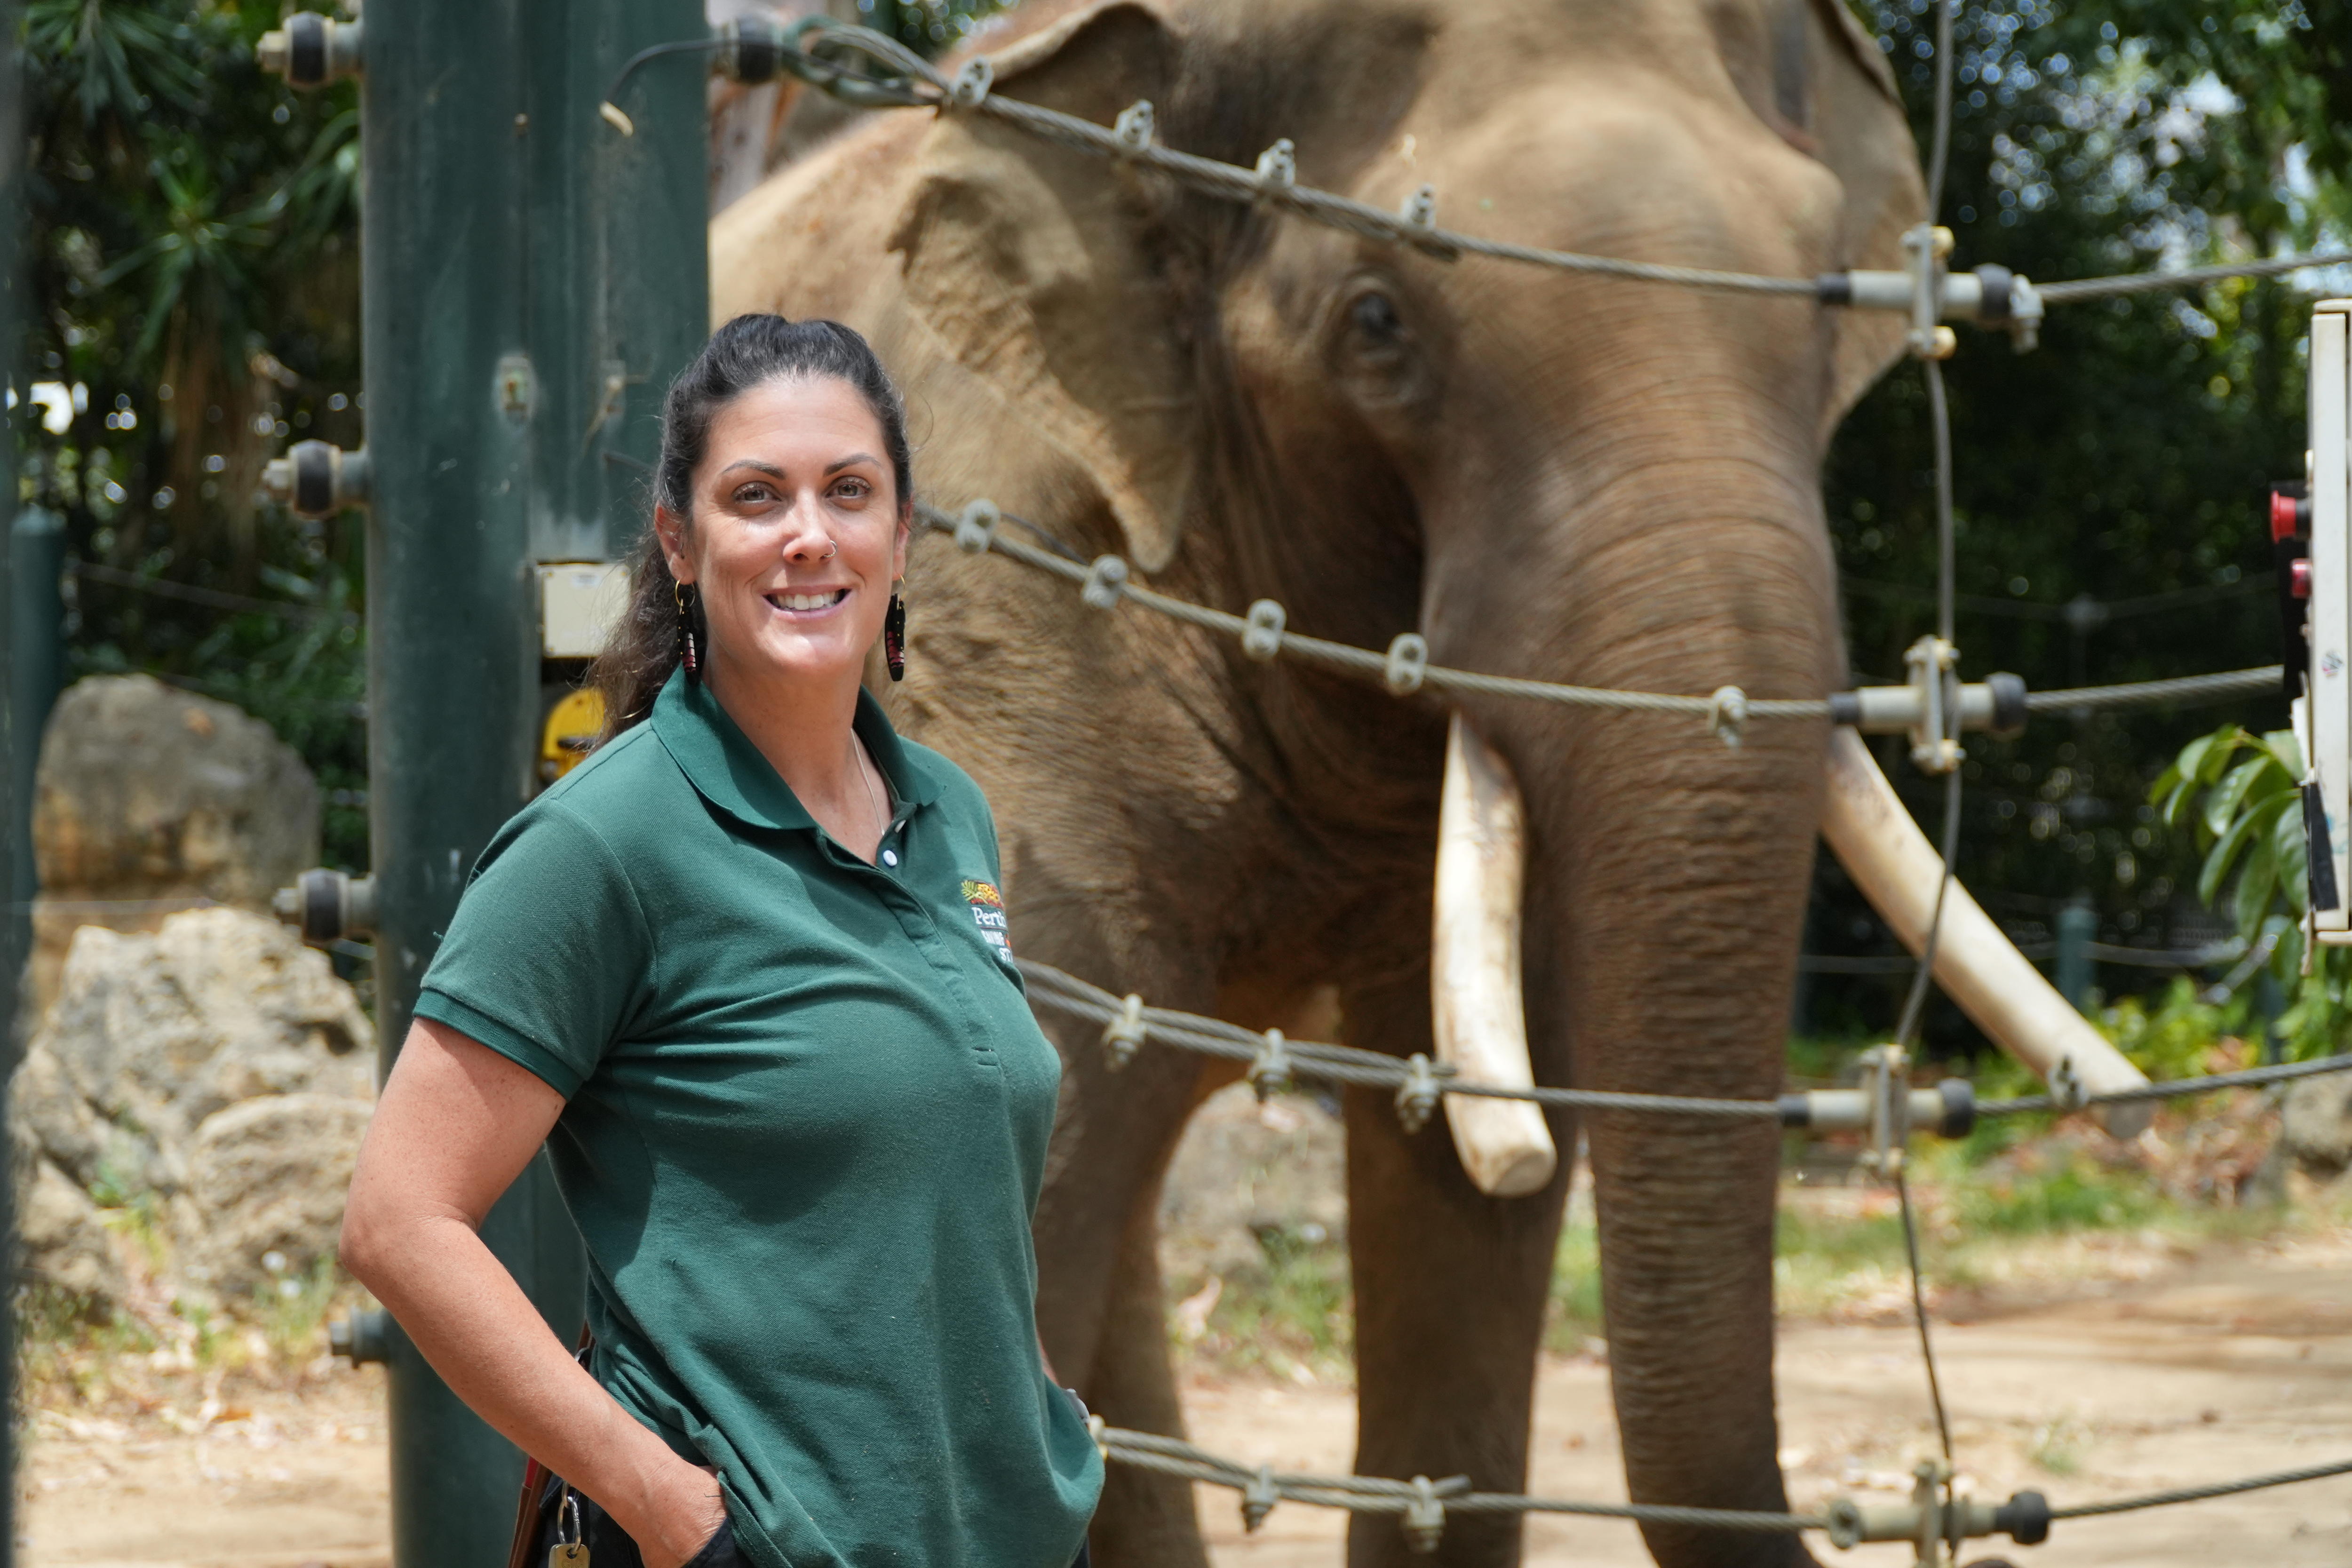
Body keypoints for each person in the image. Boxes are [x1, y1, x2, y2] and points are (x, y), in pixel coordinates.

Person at [340, 314, 1104, 1568]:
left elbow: (951, 1178)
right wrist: (676, 1513)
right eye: (757, 496)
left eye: (849, 492)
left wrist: (1044, 1423)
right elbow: (399, 1222)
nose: (810, 535)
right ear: (681, 544)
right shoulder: (605, 847)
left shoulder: (950, 812)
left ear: (902, 536)